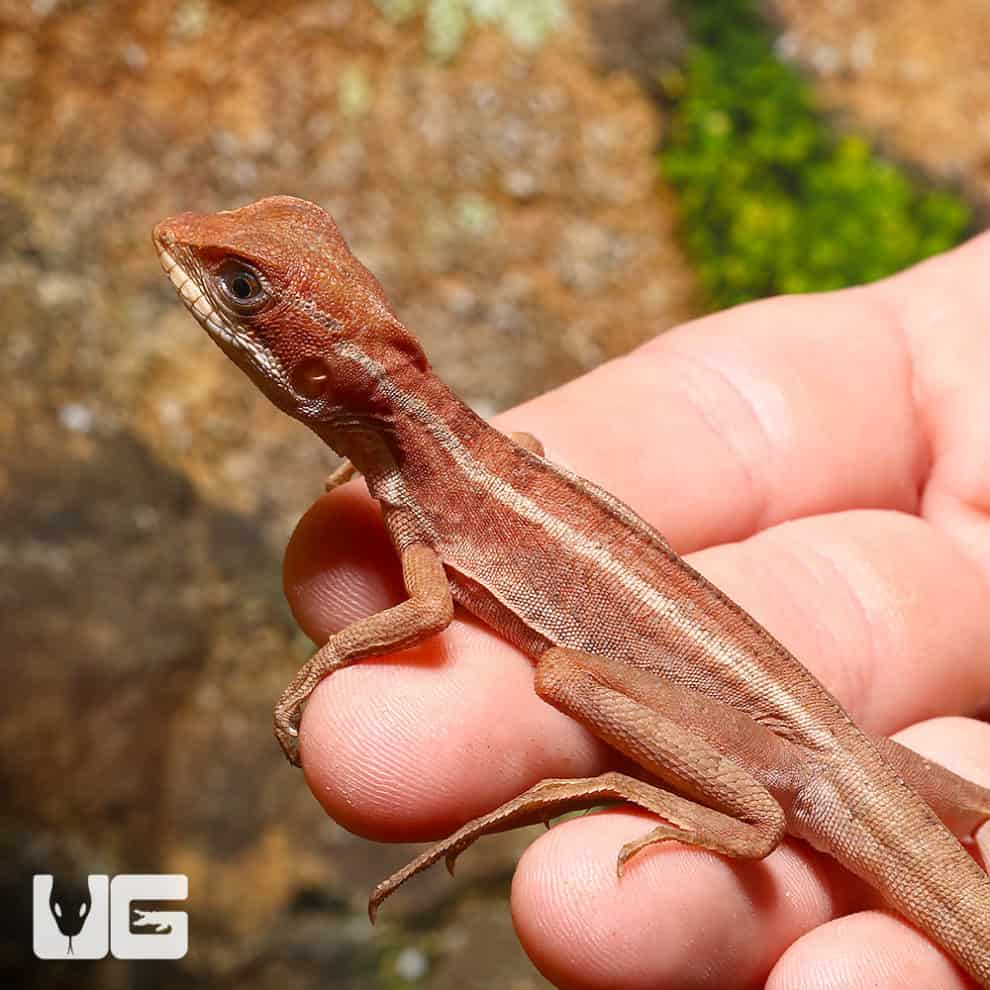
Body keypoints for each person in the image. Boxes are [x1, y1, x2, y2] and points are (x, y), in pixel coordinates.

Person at [282, 234, 990, 989]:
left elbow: (429, 610)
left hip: (806, 771)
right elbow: (513, 451)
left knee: (564, 676)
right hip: (840, 756)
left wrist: (328, 658)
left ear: (324, 374)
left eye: (242, 293)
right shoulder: (453, 455)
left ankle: (745, 816)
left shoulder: (432, 485)